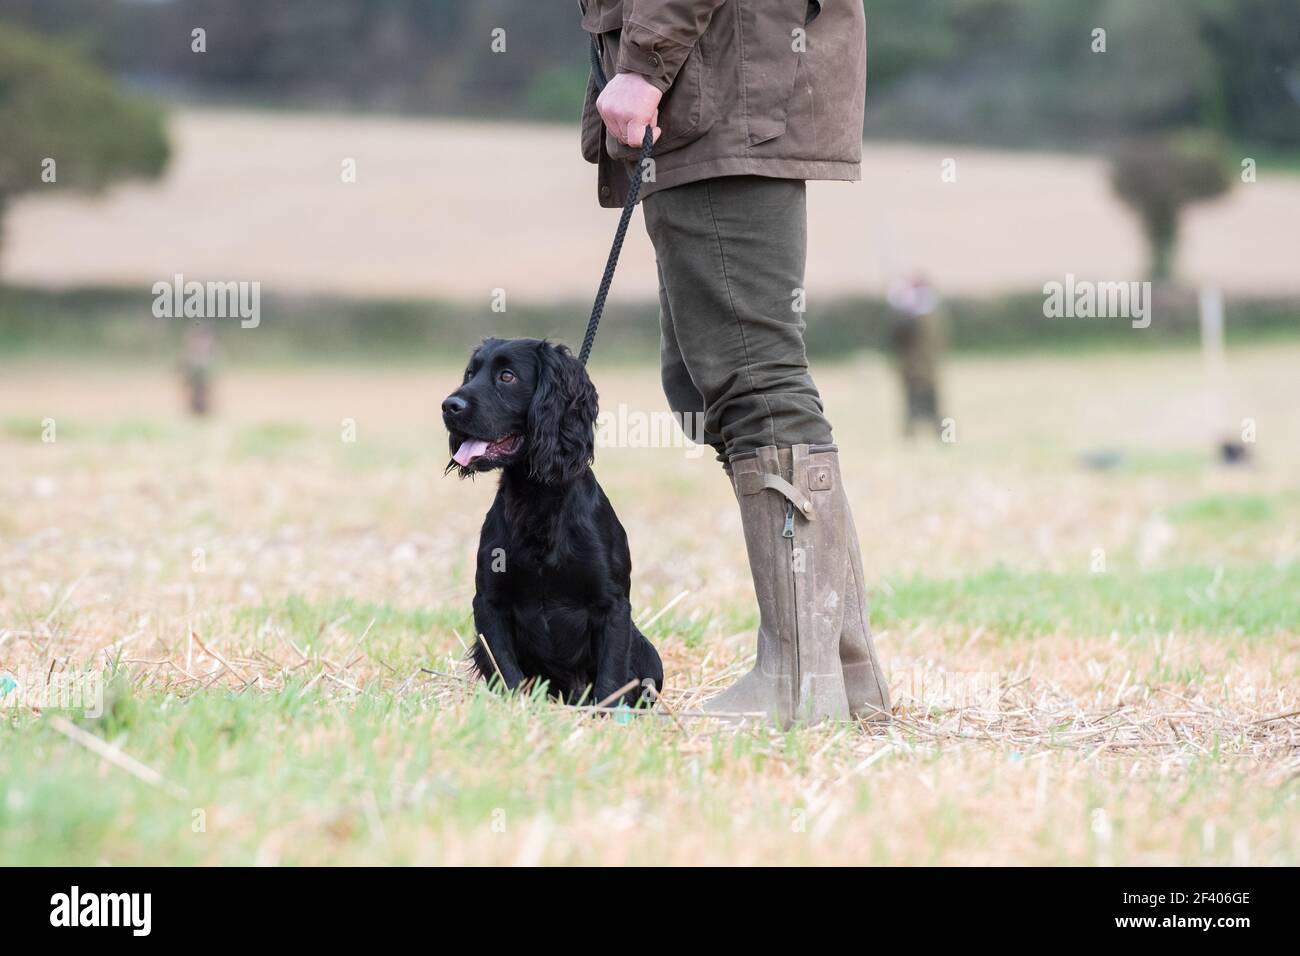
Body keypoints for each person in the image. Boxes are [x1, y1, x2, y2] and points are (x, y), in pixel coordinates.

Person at [579, 0, 889, 726]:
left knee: (756, 380)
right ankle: (844, 672)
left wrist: (644, 65)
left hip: (721, 91)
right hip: (712, 93)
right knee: (705, 380)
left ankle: (797, 680)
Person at [886, 274, 946, 438]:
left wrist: (898, 306)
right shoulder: (934, 314)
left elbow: (896, 335)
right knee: (932, 407)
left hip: (915, 369)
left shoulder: (917, 316)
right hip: (926, 368)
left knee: (916, 406)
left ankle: (913, 437)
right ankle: (943, 437)